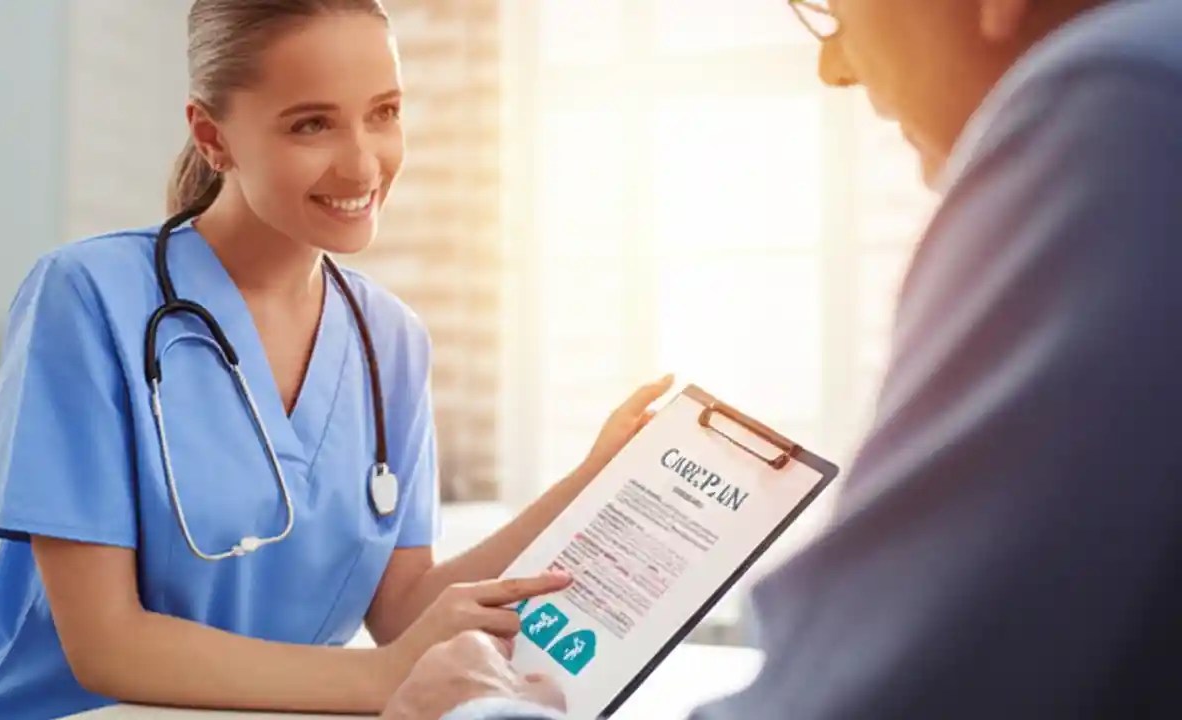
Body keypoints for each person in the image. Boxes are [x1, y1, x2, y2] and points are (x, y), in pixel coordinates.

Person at [382, 0, 1182, 717]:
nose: (835, 66)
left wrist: (477, 714)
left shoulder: (1117, 105)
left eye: (837, 11)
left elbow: (865, 699)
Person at [0, 1, 672, 718]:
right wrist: (385, 681)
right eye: (312, 124)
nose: (362, 164)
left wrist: (591, 479)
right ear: (212, 136)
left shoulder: (392, 338)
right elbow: (108, 648)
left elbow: (401, 610)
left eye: (384, 112)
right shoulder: (88, 297)